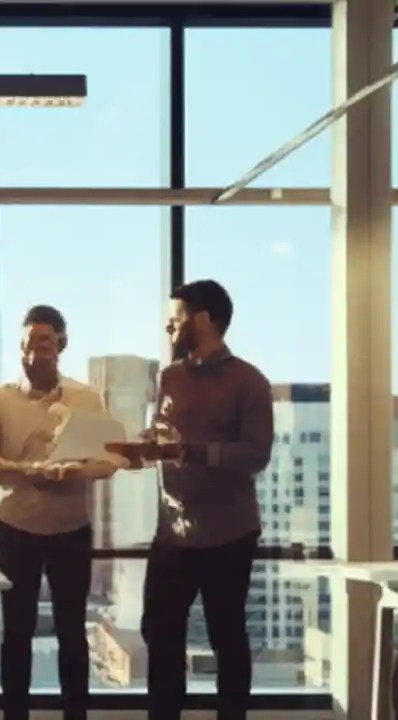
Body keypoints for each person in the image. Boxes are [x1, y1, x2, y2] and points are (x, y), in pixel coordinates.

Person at [0, 305, 123, 720]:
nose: (32, 353)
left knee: (72, 635)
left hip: (69, 530)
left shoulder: (85, 399)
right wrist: (28, 472)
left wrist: (71, 473)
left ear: (61, 344)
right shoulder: (0, 398)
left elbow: (111, 460)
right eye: (25, 345)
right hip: (16, 526)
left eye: (42, 342)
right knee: (16, 634)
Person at [135, 280, 273, 720]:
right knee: (159, 634)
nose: (167, 325)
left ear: (205, 319)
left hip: (228, 534)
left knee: (227, 638)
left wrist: (192, 451)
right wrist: (146, 446)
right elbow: (166, 434)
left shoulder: (249, 382)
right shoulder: (169, 377)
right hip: (172, 534)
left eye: (175, 317)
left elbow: (255, 454)